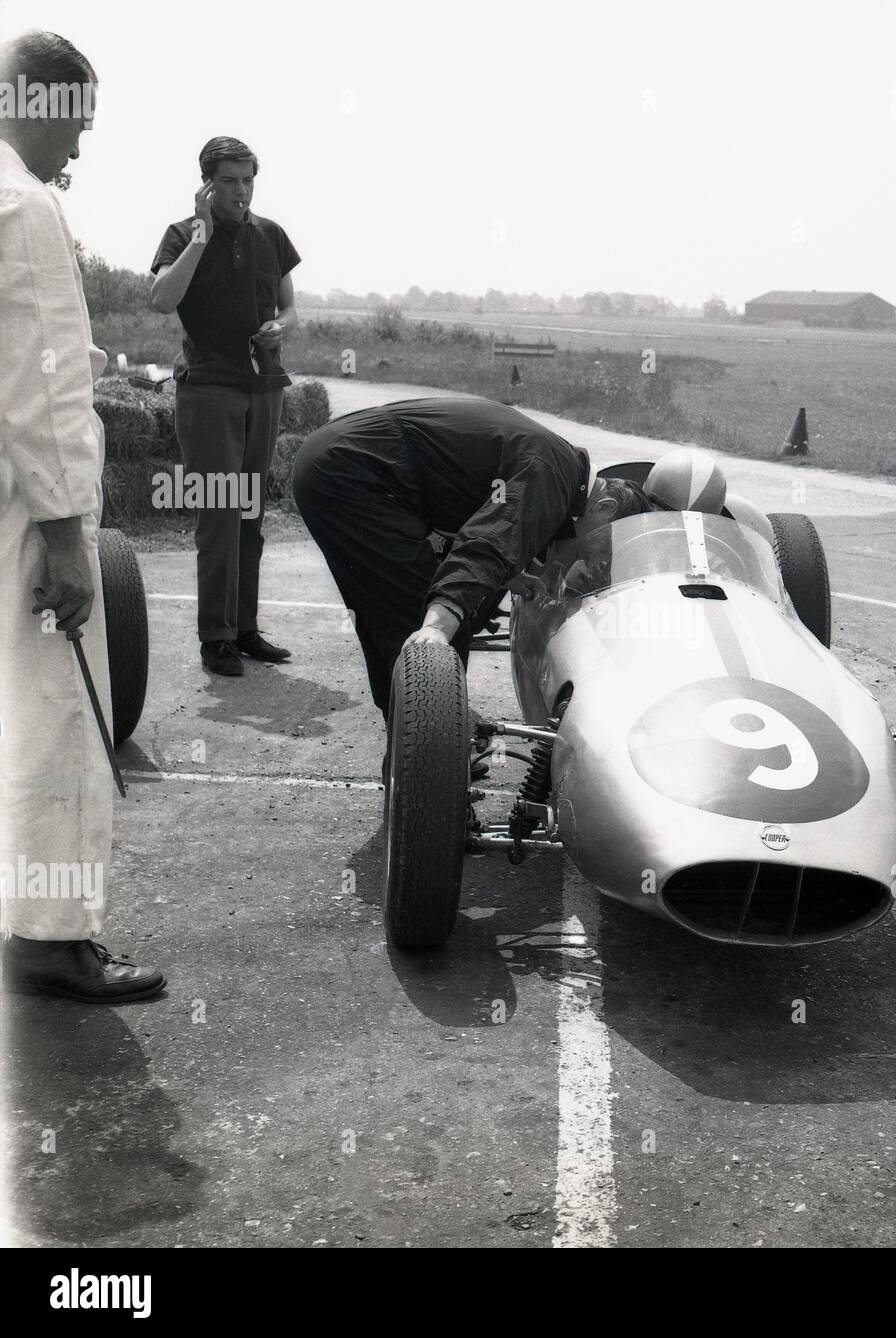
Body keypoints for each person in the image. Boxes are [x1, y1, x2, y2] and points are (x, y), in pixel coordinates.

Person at [0, 31, 164, 1002]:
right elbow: (44, 388)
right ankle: (53, 936)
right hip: (22, 509)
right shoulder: (25, 207)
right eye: (75, 121)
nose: (78, 150)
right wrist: (66, 535)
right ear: (29, 96)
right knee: (59, 715)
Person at [292, 396, 663, 716]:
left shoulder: (557, 461)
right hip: (353, 472)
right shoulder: (554, 474)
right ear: (607, 506)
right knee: (433, 636)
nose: (591, 559)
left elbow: (481, 515)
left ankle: (417, 754)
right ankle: (429, 766)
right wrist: (440, 624)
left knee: (391, 623)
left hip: (335, 462)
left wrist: (507, 577)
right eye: (604, 548)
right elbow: (487, 541)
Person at [149, 136, 301, 676]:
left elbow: (288, 307)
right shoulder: (181, 235)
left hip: (265, 387)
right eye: (229, 181)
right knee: (219, 512)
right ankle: (214, 637)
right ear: (207, 185)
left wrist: (278, 327)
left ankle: (244, 629)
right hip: (208, 388)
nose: (241, 191)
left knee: (251, 513)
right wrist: (200, 238)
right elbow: (163, 299)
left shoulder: (272, 235)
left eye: (247, 180)